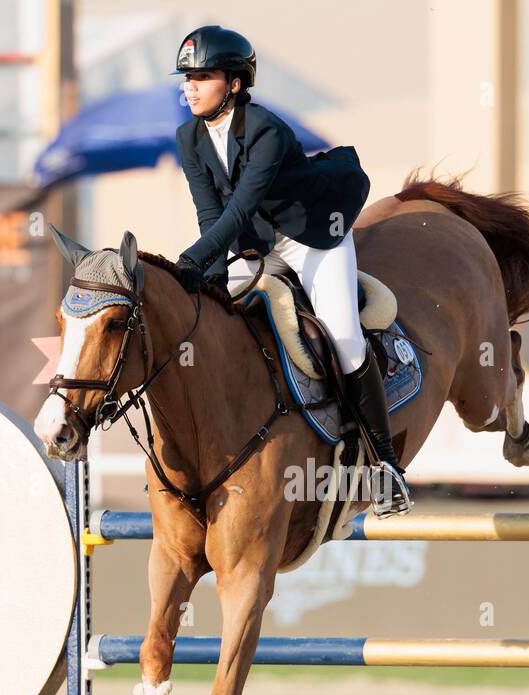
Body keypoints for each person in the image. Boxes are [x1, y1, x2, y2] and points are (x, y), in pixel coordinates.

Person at [171, 25, 411, 516]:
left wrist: (193, 258)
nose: (190, 86)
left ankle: (386, 469)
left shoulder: (266, 129)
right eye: (187, 77)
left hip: (312, 238)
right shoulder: (188, 137)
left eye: (204, 76)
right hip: (257, 244)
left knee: (343, 337)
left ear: (235, 83)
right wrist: (209, 277)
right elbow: (210, 215)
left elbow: (239, 208)